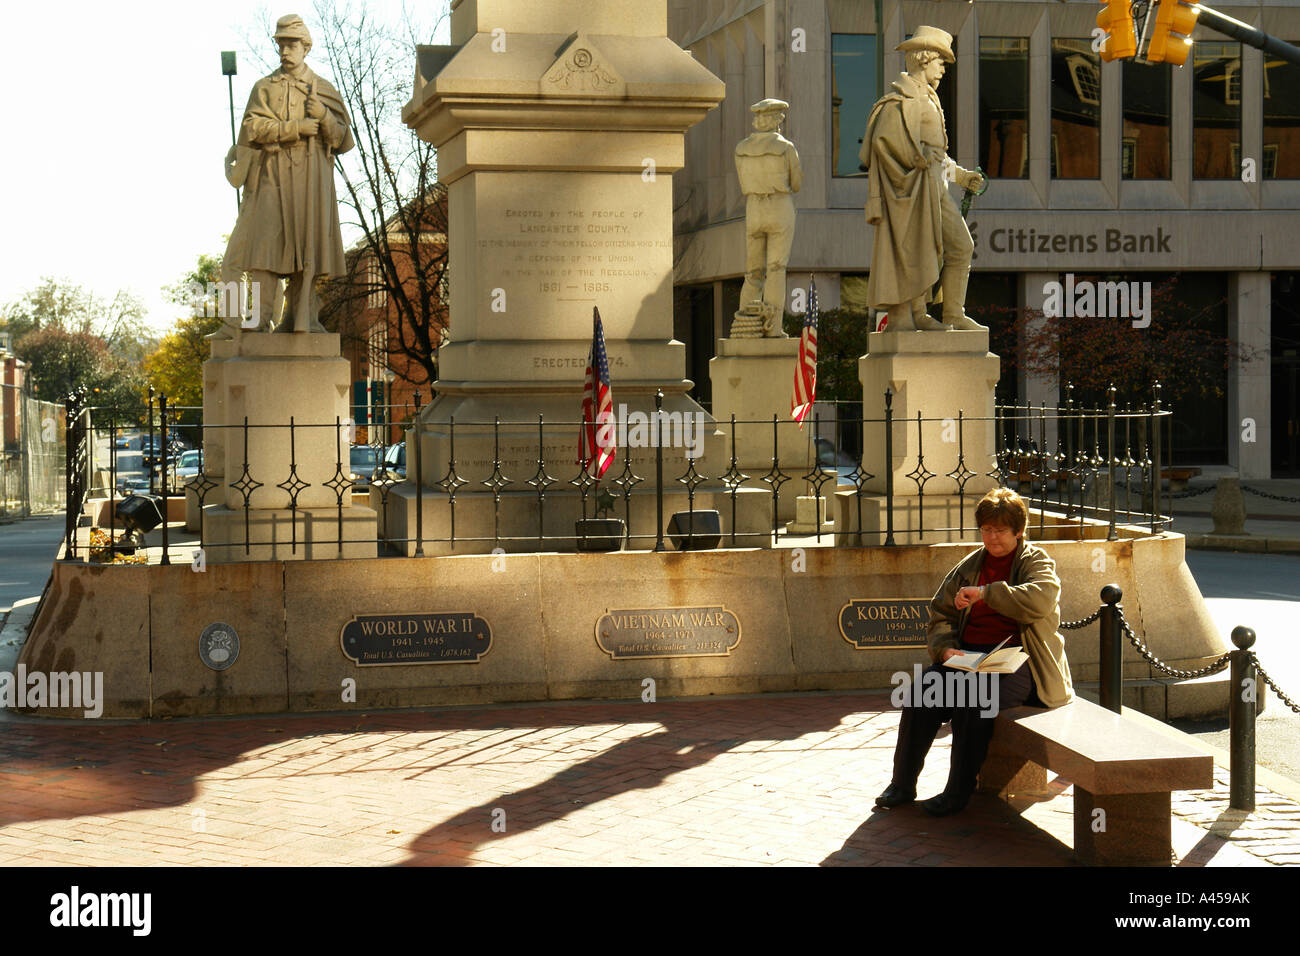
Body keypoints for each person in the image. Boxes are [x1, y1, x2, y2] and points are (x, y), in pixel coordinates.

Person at [875, 487, 1074, 816]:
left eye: (1000, 530)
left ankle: (956, 793)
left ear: (1019, 531)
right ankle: (902, 784)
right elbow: (941, 613)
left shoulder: (1036, 561)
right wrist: (945, 649)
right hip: (968, 656)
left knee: (972, 700)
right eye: (986, 530)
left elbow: (1039, 599)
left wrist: (985, 594)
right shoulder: (970, 565)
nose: (992, 538)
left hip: (1020, 661)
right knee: (920, 694)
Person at [221, 13, 354, 335]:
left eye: (291, 44)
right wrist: (294, 128)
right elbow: (251, 129)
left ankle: (300, 317)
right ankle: (258, 319)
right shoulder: (264, 88)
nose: (285, 50)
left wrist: (322, 117)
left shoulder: (322, 89)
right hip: (272, 177)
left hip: (310, 181)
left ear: (305, 47)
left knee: (305, 253)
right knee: (265, 249)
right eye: (281, 44)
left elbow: (343, 139)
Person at [859, 26, 986, 333]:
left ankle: (953, 313)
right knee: (922, 250)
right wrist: (916, 162)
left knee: (957, 247)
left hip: (934, 188)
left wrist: (961, 176)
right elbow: (884, 144)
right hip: (915, 190)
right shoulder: (901, 100)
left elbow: (937, 156)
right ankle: (917, 314)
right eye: (940, 61)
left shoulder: (928, 99)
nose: (943, 68)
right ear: (924, 59)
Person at [733, 98, 802, 337]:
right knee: (776, 268)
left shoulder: (741, 149)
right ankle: (773, 328)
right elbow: (797, 183)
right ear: (776, 120)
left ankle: (746, 324)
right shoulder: (786, 148)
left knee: (752, 271)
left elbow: (742, 180)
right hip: (779, 206)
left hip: (754, 208)